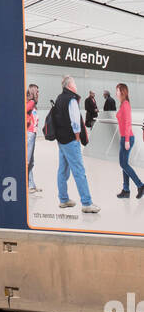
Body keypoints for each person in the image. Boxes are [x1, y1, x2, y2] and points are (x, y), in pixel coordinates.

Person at [50, 75, 100, 214]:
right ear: (69, 85)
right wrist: (78, 136)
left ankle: (64, 199)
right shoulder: (71, 99)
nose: (76, 85)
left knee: (63, 170)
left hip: (61, 140)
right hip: (71, 140)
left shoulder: (60, 98)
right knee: (79, 171)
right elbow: (75, 120)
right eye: (74, 83)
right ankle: (87, 203)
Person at [115, 83, 144, 200]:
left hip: (128, 138)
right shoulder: (122, 104)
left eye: (117, 90)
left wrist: (126, 140)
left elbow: (127, 123)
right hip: (124, 137)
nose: (116, 92)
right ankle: (126, 190)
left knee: (123, 164)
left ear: (122, 92)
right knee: (123, 164)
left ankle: (140, 185)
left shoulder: (125, 104)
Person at [26, 84, 40, 194]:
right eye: (38, 92)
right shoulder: (31, 103)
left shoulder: (33, 104)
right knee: (27, 161)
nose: (39, 94)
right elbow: (23, 111)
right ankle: (25, 184)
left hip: (32, 134)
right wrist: (27, 122)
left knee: (30, 161)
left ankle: (31, 185)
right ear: (34, 92)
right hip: (30, 133)